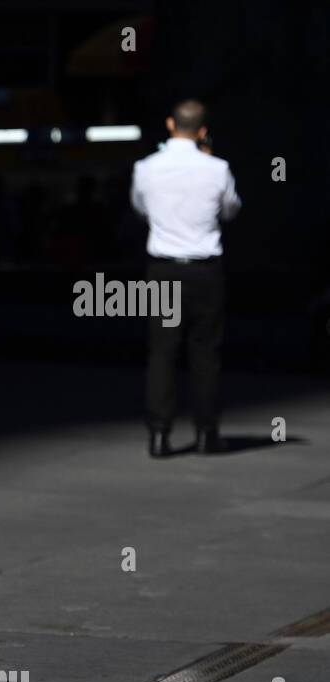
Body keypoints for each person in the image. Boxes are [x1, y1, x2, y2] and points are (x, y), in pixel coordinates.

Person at [131, 98, 242, 457]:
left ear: (169, 124)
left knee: (161, 354)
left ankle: (159, 436)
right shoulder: (218, 168)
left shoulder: (146, 168)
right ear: (203, 131)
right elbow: (230, 210)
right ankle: (207, 434)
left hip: (162, 269)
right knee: (205, 355)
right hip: (205, 269)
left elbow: (141, 207)